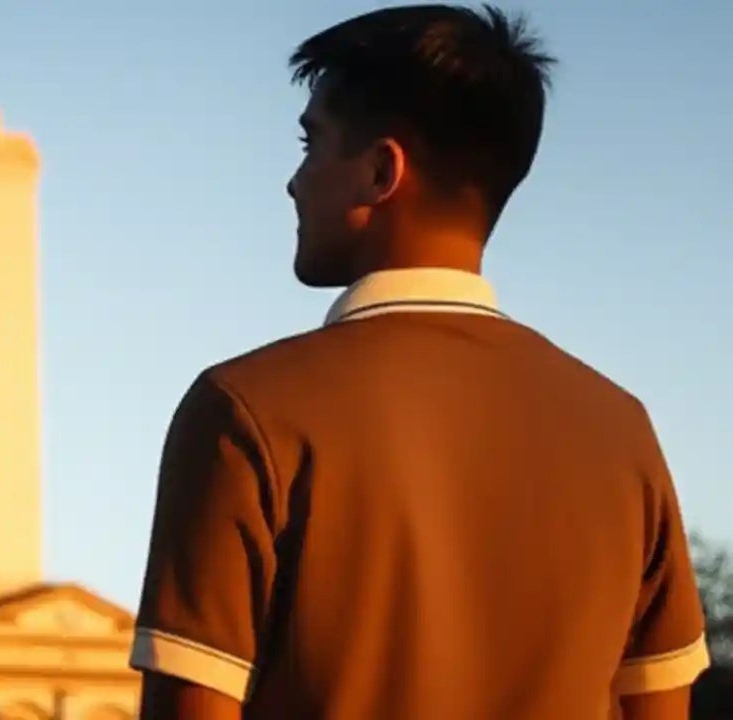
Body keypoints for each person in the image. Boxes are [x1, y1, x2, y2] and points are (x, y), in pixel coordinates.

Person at [129, 4, 710, 719]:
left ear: (381, 170)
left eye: (312, 144)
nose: (294, 181)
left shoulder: (245, 411)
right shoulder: (622, 432)